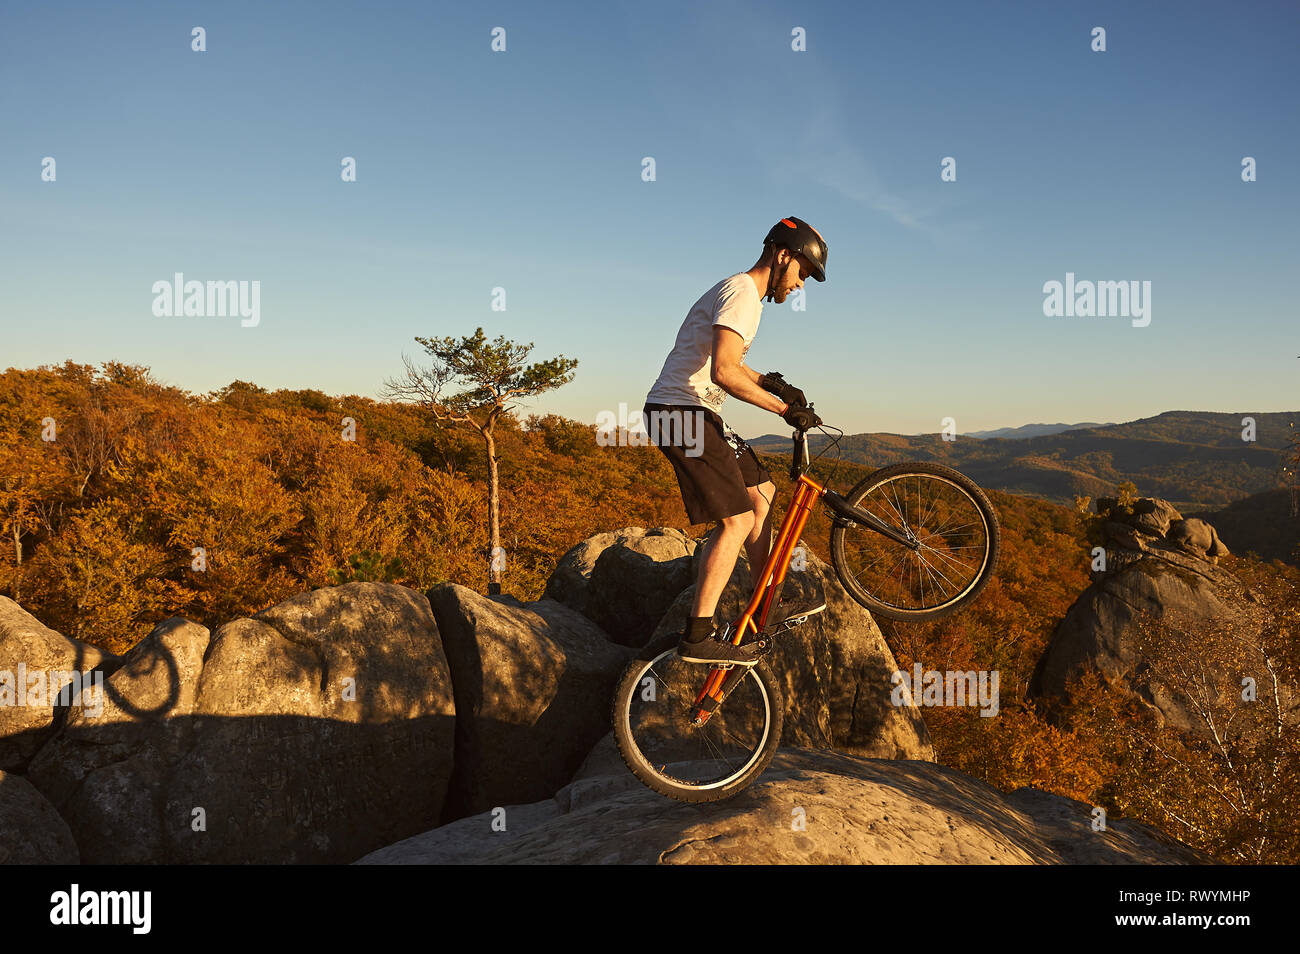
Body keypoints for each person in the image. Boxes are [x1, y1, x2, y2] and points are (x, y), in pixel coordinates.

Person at [643, 216, 828, 666]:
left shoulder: (745, 297)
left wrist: (775, 383)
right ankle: (698, 637)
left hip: (694, 412)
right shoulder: (743, 293)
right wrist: (783, 410)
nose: (800, 285)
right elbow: (723, 371)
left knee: (762, 494)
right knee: (737, 521)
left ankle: (765, 600)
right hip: (678, 414)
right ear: (783, 255)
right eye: (802, 273)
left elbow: (731, 364)